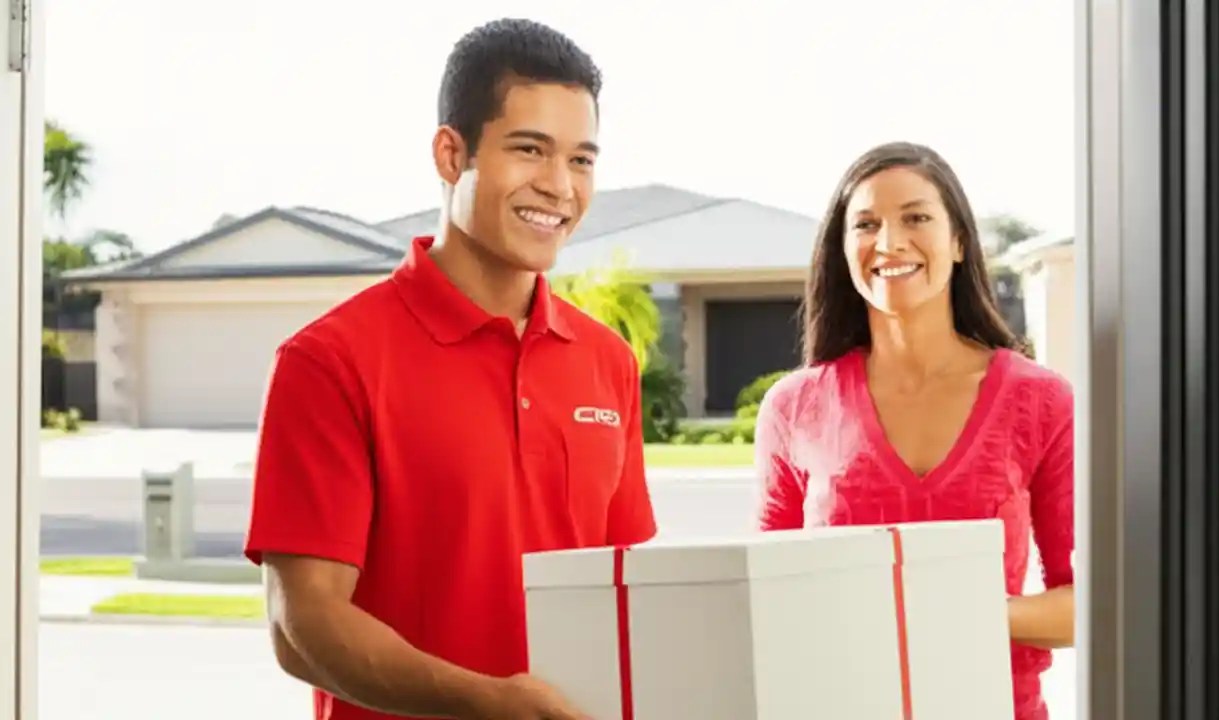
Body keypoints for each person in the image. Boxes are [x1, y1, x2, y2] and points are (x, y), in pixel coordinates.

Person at [243, 18, 657, 720]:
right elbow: (301, 626)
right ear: (450, 152)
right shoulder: (329, 361)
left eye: (581, 160)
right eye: (530, 150)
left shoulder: (607, 362)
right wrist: (487, 703)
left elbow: (630, 593)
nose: (559, 186)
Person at [753, 141, 1074, 720]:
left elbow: (1089, 606)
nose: (890, 242)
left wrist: (965, 610)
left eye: (916, 218)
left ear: (957, 243)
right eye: (867, 224)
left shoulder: (1041, 399)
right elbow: (761, 604)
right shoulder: (793, 407)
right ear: (844, 250)